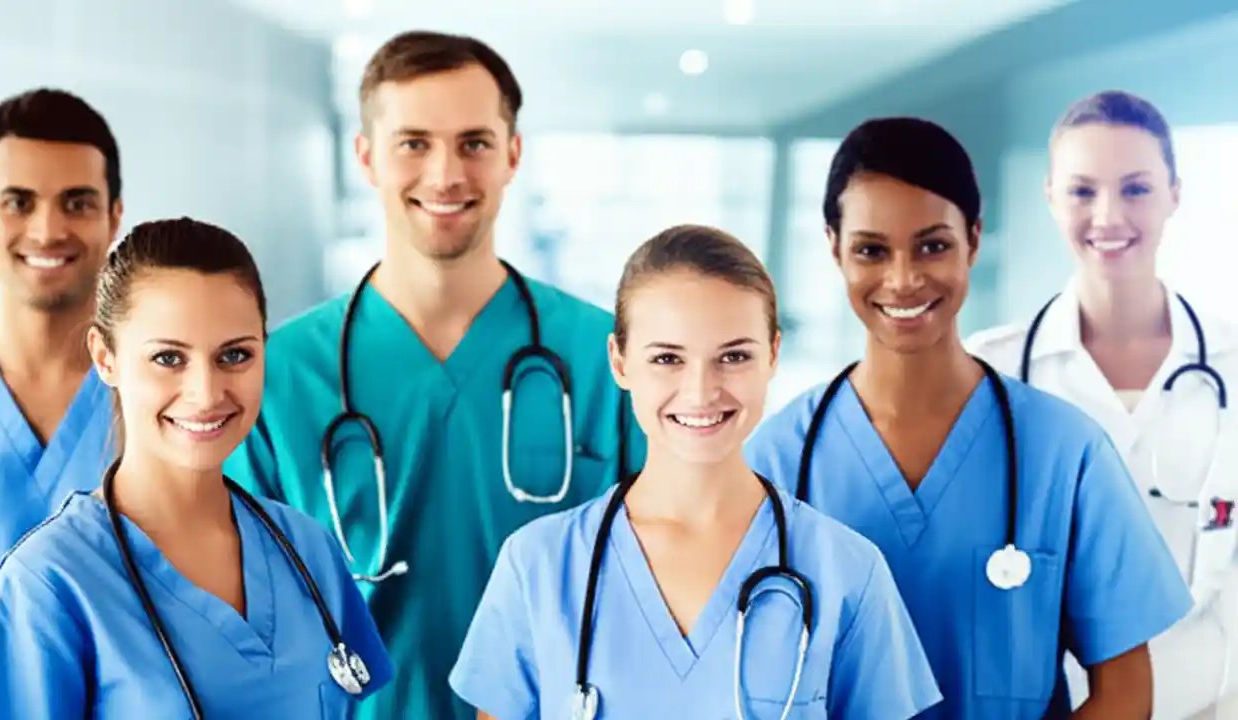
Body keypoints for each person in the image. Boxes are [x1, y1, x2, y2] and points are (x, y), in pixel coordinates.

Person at [223, 30, 645, 718]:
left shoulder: (608, 357)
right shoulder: (279, 375)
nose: (446, 174)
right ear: (366, 157)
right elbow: (241, 617)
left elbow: (658, 584)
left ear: (513, 154)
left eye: (474, 142)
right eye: (413, 142)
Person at [745, 117, 1193, 719]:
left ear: (974, 241)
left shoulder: (1065, 453)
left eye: (933, 245)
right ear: (834, 248)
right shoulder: (774, 462)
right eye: (871, 250)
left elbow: (1126, 690)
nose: (903, 279)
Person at [450, 224, 941, 720]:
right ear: (619, 362)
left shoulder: (846, 571)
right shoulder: (538, 565)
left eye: (733, 356)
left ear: (772, 355)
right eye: (667, 358)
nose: (702, 392)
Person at [0, 218, 393, 718]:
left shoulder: (306, 549)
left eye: (235, 355)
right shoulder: (47, 586)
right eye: (168, 358)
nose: (206, 394)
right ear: (106, 358)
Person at [966, 90, 1238, 718]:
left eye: (1136, 188)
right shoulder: (994, 371)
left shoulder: (1230, 362)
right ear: (1051, 198)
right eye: (1083, 191)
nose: (1109, 216)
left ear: (1175, 192)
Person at [0, 88, 122, 656]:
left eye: (77, 202)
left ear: (114, 216)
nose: (48, 230)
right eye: (18, 202)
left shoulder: (170, 402)